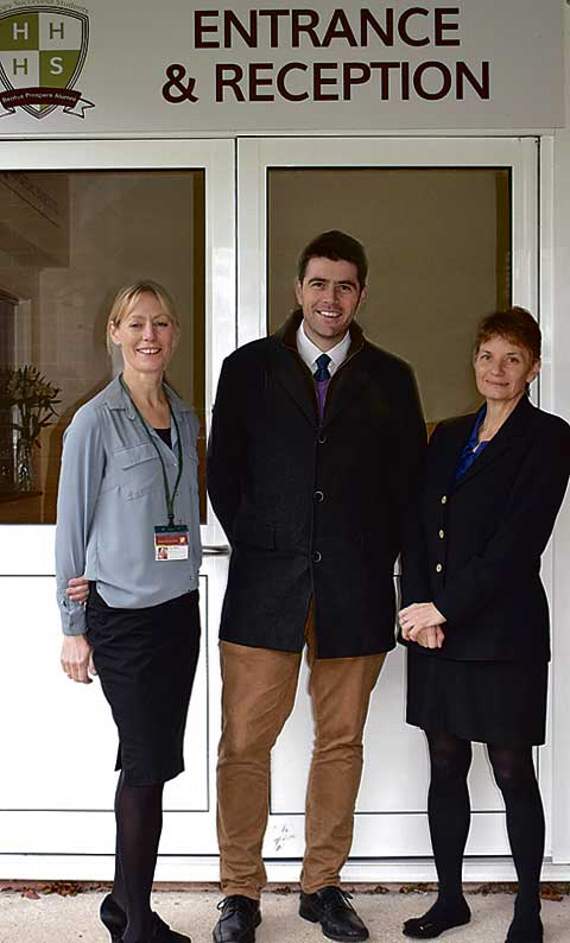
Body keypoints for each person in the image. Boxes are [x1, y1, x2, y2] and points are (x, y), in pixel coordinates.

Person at [207, 230, 426, 943]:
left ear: (361, 294)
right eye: (318, 283)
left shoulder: (392, 377)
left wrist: (372, 557)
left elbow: (407, 487)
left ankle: (321, 884)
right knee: (245, 742)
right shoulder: (248, 369)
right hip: (264, 587)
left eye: (344, 285)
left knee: (341, 741)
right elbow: (225, 474)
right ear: (298, 289)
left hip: (354, 589)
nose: (330, 297)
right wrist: (269, 545)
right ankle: (239, 890)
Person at [398, 307, 570, 943]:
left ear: (533, 369)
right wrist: (419, 612)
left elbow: (518, 543)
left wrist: (444, 608)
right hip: (436, 631)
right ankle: (451, 900)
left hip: (503, 635)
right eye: (487, 356)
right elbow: (414, 528)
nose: (497, 370)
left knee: (510, 768)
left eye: (513, 359)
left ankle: (529, 909)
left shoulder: (550, 438)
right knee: (444, 762)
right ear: (474, 361)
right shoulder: (444, 436)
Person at [57, 280, 202, 943]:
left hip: (180, 613)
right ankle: (136, 924)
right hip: (121, 617)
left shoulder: (187, 414)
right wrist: (73, 627)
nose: (150, 334)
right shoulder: (93, 421)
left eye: (162, 323)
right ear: (113, 332)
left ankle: (125, 903)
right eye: (136, 322)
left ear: (174, 335)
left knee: (157, 762)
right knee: (144, 764)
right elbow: (71, 529)